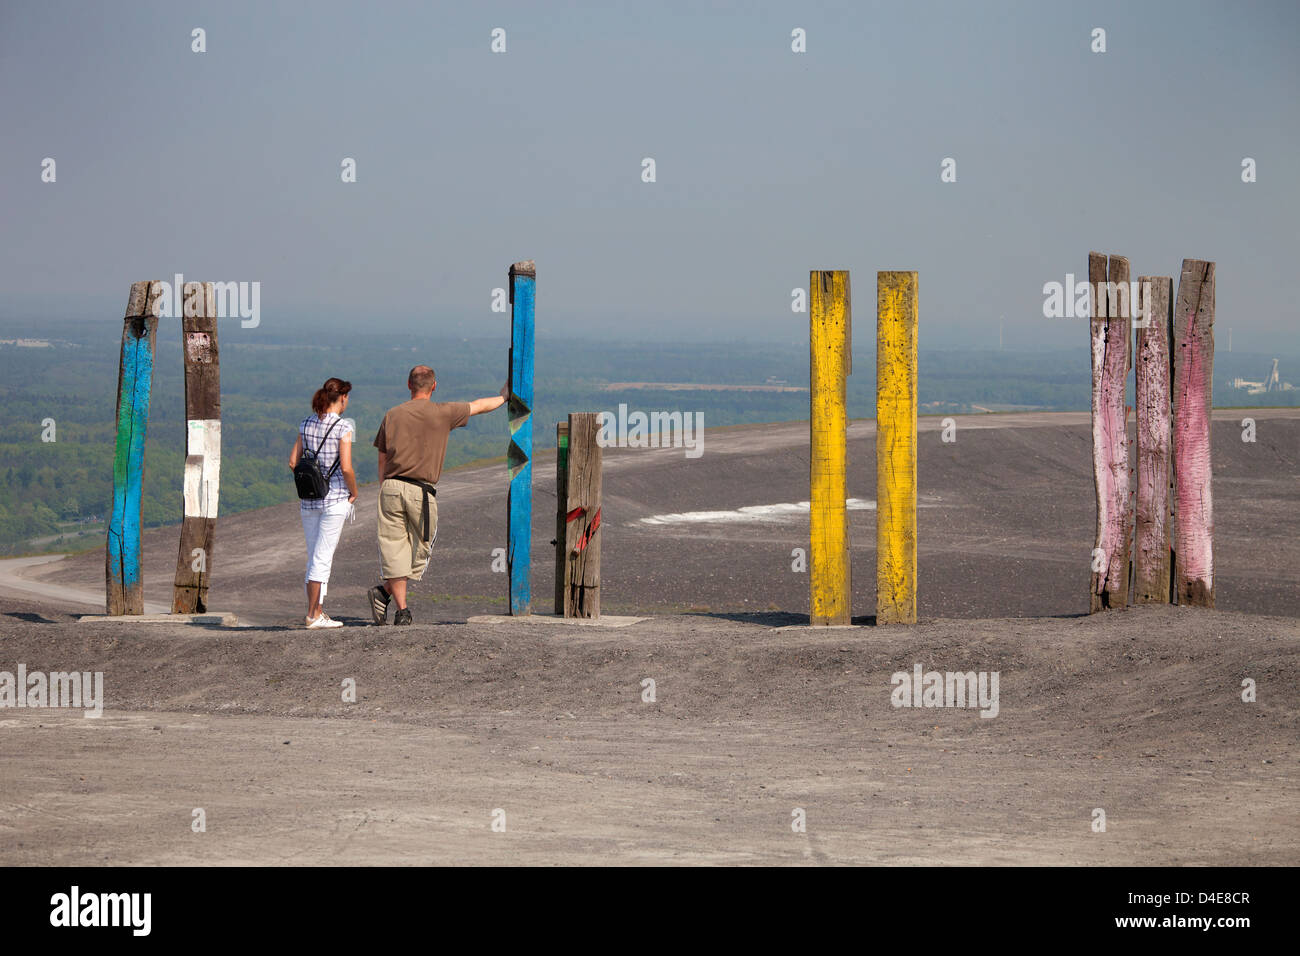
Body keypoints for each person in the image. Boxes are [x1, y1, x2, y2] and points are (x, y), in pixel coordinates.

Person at [368, 365, 507, 625]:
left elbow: (382, 457)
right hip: (421, 489)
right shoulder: (444, 412)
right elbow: (478, 406)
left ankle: (385, 593)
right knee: (421, 548)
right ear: (434, 386)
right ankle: (402, 610)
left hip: (391, 486)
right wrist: (505, 396)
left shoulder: (392, 414)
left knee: (394, 547)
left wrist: (384, 486)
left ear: (408, 385)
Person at [289, 377, 359, 628]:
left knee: (314, 556)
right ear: (342, 398)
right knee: (323, 557)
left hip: (309, 501)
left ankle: (318, 610)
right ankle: (313, 615)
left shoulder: (305, 423)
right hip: (335, 497)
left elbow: (293, 462)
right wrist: (354, 492)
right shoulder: (343, 427)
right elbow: (347, 467)